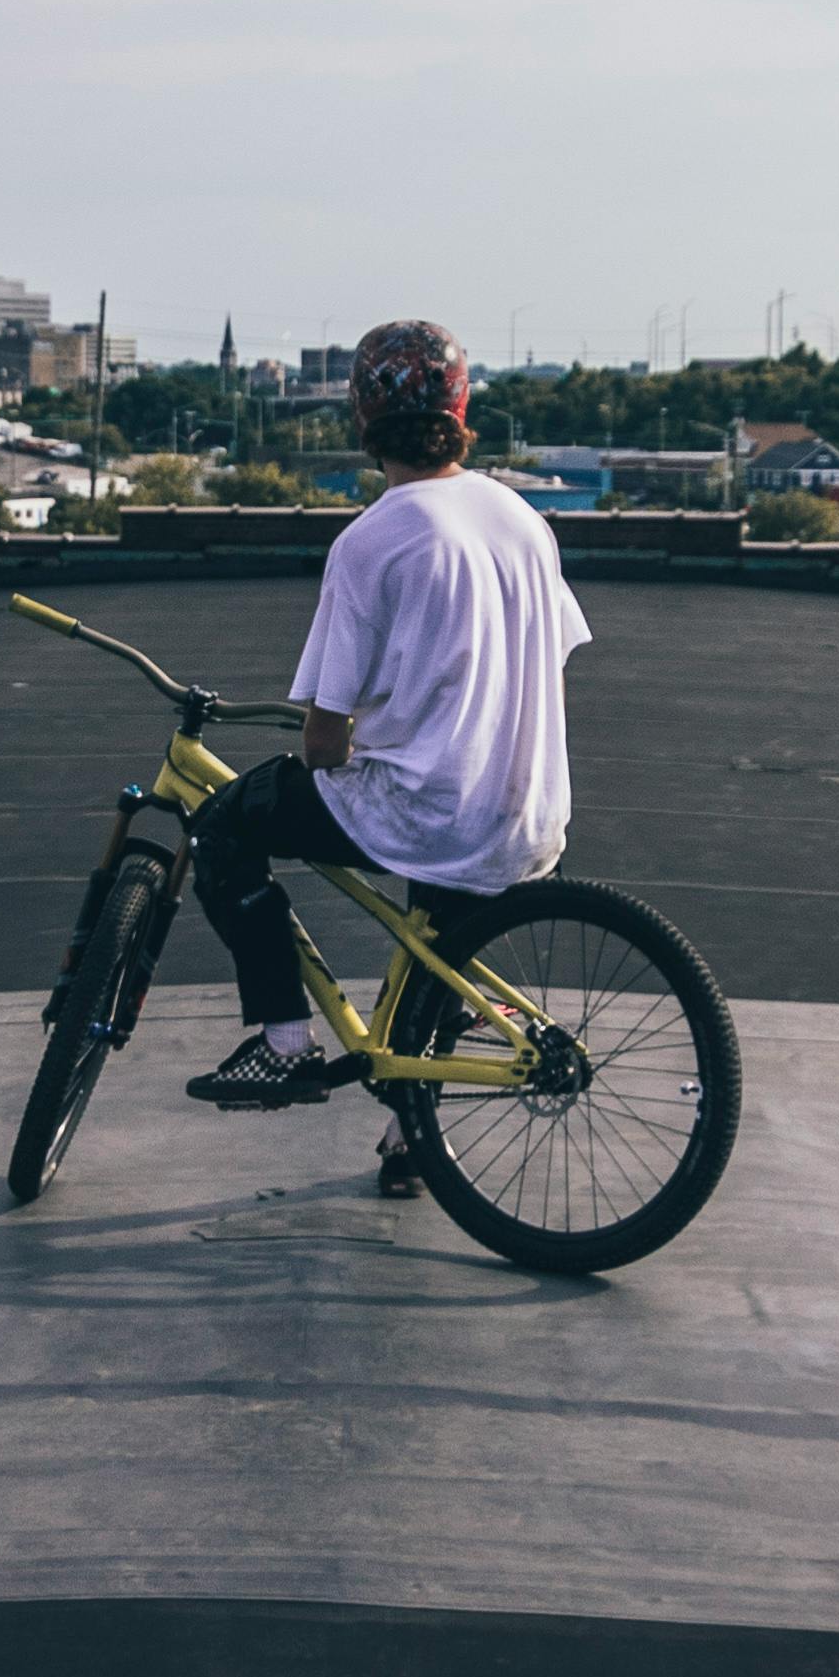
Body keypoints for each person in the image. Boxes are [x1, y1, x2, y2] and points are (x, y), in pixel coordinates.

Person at [184, 319, 590, 1127]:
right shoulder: (522, 522)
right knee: (431, 963)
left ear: (363, 421)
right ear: (462, 407)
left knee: (227, 828)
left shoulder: (373, 541)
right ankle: (413, 1144)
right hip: (528, 810)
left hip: (432, 810)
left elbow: (325, 739)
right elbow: (550, 656)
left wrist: (360, 748)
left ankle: (285, 1039)